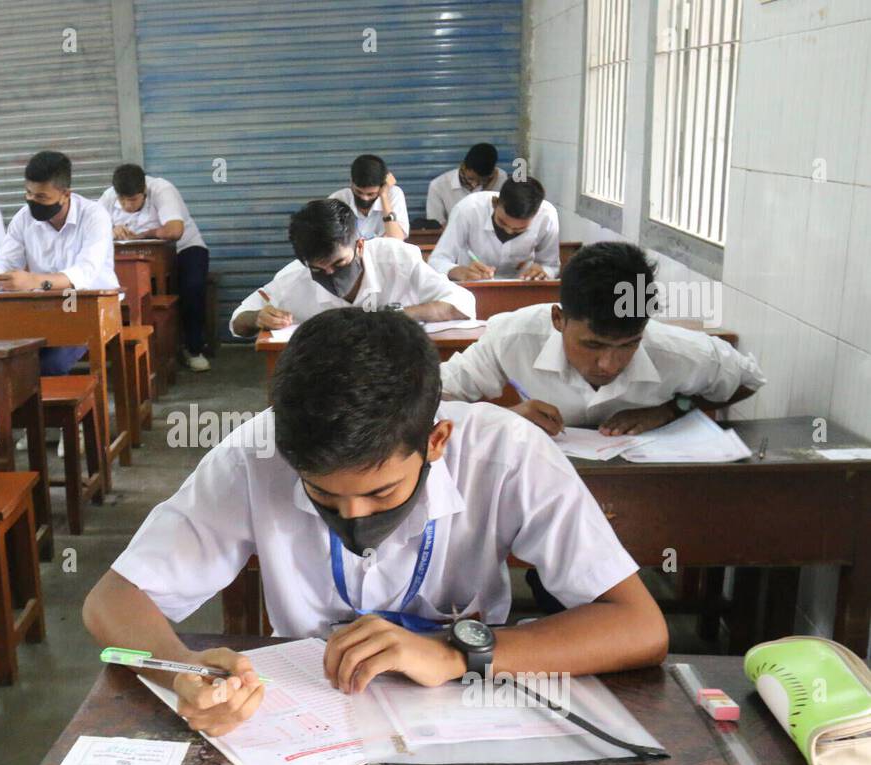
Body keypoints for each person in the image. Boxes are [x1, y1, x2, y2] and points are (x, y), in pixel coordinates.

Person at [83, 307, 667, 736]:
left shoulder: (508, 454)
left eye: (382, 491)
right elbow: (111, 601)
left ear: (436, 441)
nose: (355, 518)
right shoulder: (252, 455)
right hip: (309, 715)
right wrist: (182, 671)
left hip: (469, 711)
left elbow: (640, 628)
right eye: (323, 497)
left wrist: (455, 653)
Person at [441, 241, 766, 436]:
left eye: (628, 345)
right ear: (559, 319)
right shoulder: (512, 336)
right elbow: (429, 401)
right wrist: (505, 417)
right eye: (592, 345)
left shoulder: (674, 350)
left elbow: (748, 379)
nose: (609, 364)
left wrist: (670, 410)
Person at [0, 150, 119, 375]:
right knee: (5, 355)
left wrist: (33, 280)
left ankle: (63, 407)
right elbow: (4, 261)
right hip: (44, 309)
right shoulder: (23, 218)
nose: (32, 201)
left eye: (41, 197)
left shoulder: (95, 216)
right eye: (28, 193)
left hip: (88, 306)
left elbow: (84, 273)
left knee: (48, 364)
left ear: (65, 194)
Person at [230, 199, 473, 338]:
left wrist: (397, 315)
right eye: (318, 269)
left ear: (359, 245)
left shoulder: (398, 259)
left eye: (339, 264)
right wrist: (258, 318)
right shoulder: (293, 277)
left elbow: (462, 304)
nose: (331, 275)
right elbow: (238, 322)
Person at [100, 163, 212, 372]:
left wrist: (143, 234)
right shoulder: (108, 198)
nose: (127, 205)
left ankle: (194, 349)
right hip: (136, 258)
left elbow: (175, 230)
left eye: (132, 200)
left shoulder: (161, 190)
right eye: (122, 199)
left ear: (144, 192)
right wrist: (110, 230)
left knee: (192, 286)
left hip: (184, 249)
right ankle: (131, 349)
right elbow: (90, 233)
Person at [429, 177, 560, 280]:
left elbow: (551, 266)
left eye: (519, 230)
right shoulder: (468, 210)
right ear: (494, 203)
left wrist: (543, 272)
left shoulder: (547, 216)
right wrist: (459, 272)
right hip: (473, 287)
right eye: (502, 223)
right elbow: (437, 261)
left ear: (536, 215)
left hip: (522, 287)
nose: (509, 231)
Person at [327, 154, 409, 240]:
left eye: (371, 194)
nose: (364, 198)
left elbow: (396, 239)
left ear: (382, 186)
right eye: (358, 192)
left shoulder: (393, 195)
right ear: (351, 182)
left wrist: (383, 196)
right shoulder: (338, 199)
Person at [425, 143, 509, 227]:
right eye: (471, 179)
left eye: (481, 181)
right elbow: (435, 224)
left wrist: (489, 187)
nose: (474, 184)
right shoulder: (438, 186)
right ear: (464, 167)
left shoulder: (501, 178)